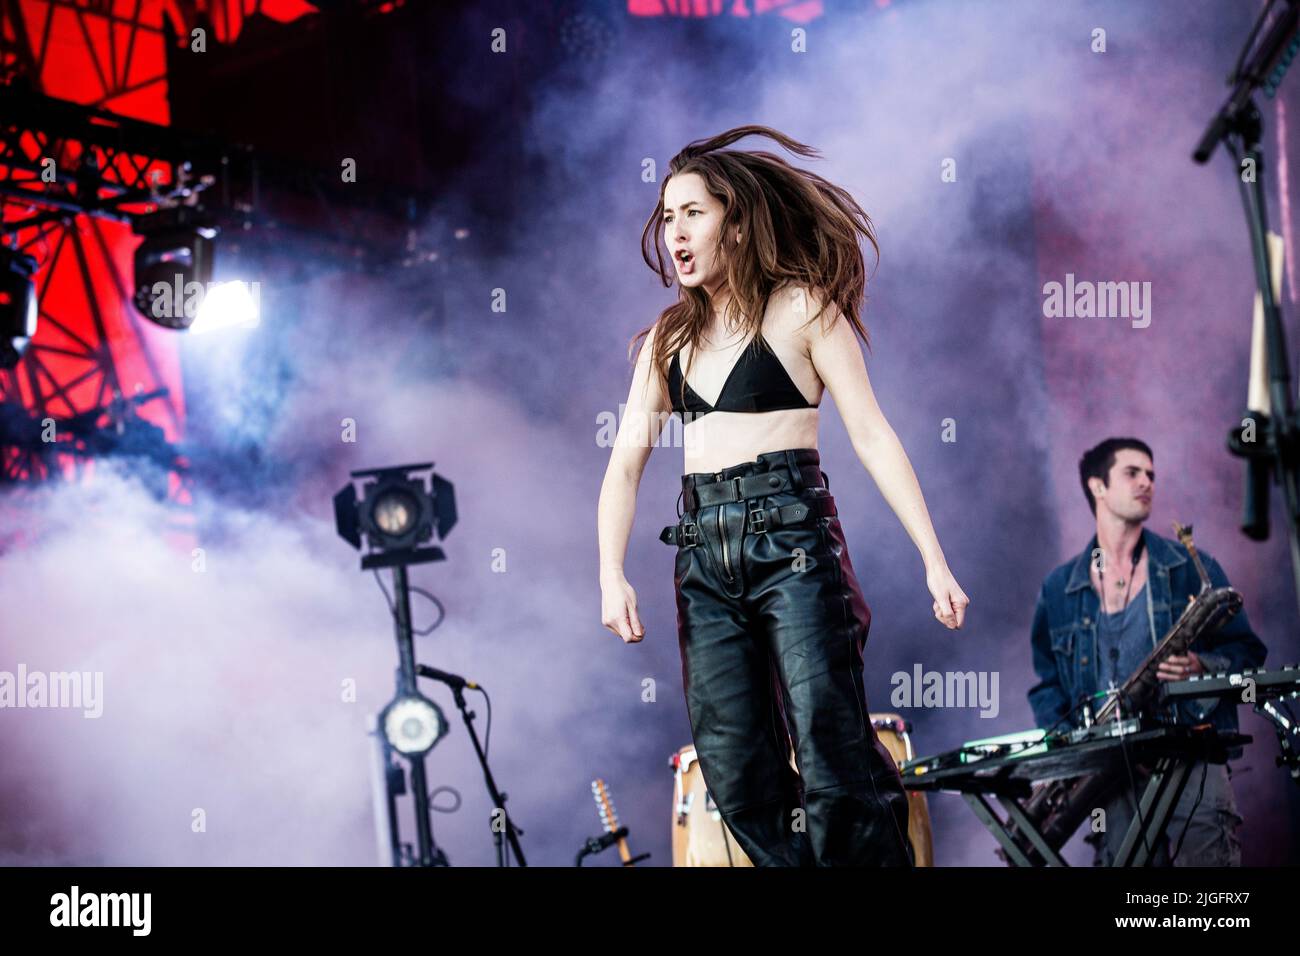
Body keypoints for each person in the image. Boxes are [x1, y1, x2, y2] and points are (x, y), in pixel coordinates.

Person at [596, 125, 969, 866]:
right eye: (666, 217)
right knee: (734, 773)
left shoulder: (803, 308)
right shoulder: (668, 340)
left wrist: (934, 558)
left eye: (692, 212)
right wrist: (611, 574)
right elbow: (625, 466)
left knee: (832, 758)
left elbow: (871, 433)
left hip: (792, 542)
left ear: (735, 222)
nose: (675, 231)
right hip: (704, 557)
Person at [1026, 437, 1268, 866]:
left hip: (1192, 758)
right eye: (1132, 473)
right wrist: (1073, 752)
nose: (1147, 483)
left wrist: (1201, 668)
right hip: (1112, 775)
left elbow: (1248, 652)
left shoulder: (1192, 566)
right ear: (1097, 486)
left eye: (1152, 474)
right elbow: (1047, 690)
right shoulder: (1057, 589)